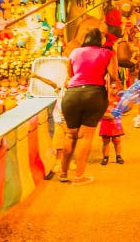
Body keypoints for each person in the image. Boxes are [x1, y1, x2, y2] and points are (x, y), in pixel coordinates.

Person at [60, 27, 120, 186]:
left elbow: (70, 75)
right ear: (99, 41)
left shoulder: (74, 53)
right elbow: (114, 76)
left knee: (70, 135)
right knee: (85, 136)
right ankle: (79, 176)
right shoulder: (106, 53)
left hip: (72, 95)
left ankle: (63, 173)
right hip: (94, 94)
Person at [99, 83, 125, 166]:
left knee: (117, 140)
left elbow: (123, 109)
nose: (114, 89)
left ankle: (118, 156)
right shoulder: (103, 99)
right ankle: (105, 157)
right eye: (112, 88)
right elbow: (99, 111)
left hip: (115, 123)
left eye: (115, 88)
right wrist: (105, 115)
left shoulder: (119, 99)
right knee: (105, 141)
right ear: (108, 88)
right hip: (105, 122)